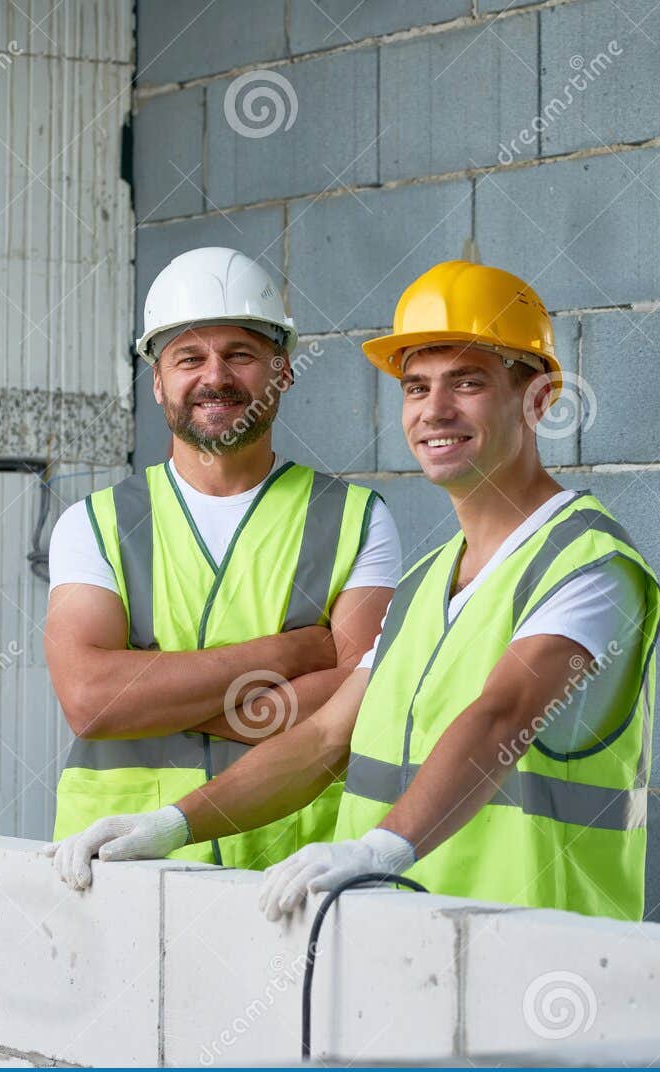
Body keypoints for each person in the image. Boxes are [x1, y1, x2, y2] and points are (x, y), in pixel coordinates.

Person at [48, 261, 660, 924]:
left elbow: (502, 717)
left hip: (531, 947)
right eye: (417, 387)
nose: (435, 410)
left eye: (467, 383)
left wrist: (378, 850)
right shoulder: (426, 582)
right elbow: (322, 740)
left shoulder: (589, 566)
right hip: (402, 938)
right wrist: (171, 825)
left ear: (538, 400)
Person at [40, 247, 399, 887]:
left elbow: (359, 701)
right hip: (119, 867)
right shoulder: (94, 524)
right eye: (189, 358)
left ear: (282, 372)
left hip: (290, 869)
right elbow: (92, 700)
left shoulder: (356, 518)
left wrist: (154, 699)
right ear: (157, 381)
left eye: (240, 354)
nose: (216, 376)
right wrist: (291, 653)